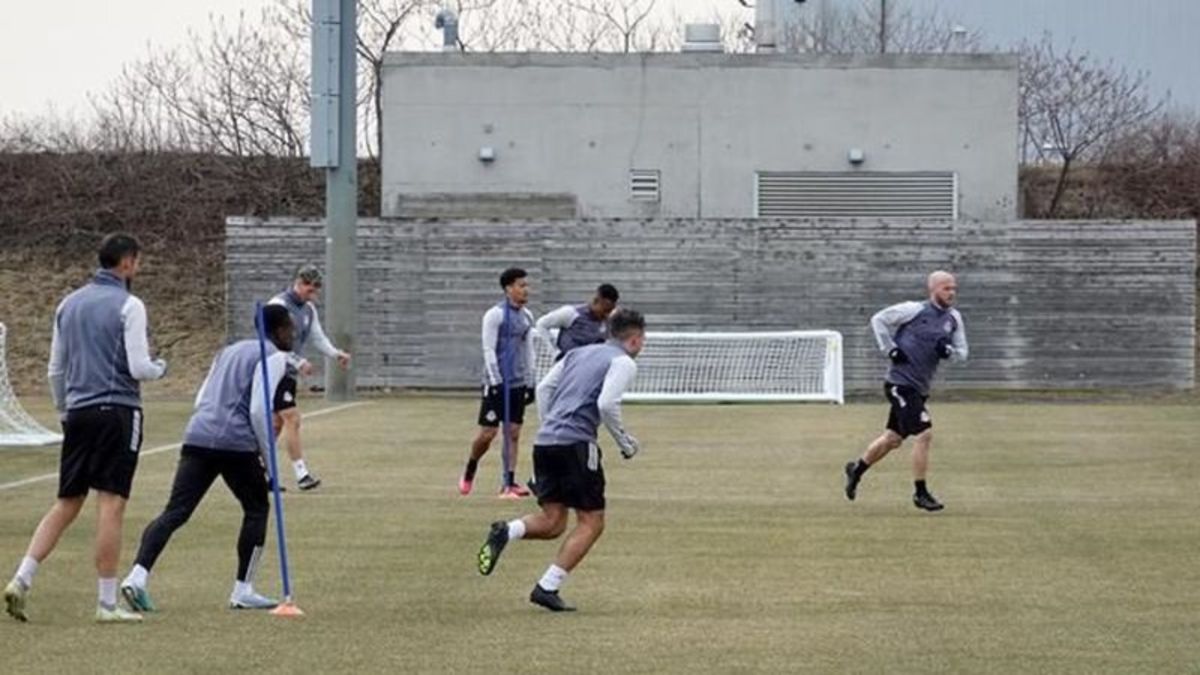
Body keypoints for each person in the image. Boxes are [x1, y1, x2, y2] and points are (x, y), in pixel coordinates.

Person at [4, 233, 167, 624]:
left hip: (78, 411)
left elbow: (55, 369)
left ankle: (22, 578)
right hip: (118, 411)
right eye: (137, 261)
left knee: (67, 501)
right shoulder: (129, 305)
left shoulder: (68, 304)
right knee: (111, 503)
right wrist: (161, 368)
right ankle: (107, 603)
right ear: (126, 262)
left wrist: (65, 410)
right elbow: (138, 367)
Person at [119, 305, 296, 612]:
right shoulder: (274, 356)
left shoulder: (226, 352)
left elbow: (202, 398)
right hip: (236, 443)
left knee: (176, 511)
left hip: (198, 434)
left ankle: (137, 576)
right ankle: (243, 589)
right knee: (257, 508)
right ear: (279, 330)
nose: (292, 334)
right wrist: (270, 462)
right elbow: (258, 409)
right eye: (290, 328)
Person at [476, 308, 645, 612]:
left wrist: (550, 427)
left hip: (545, 442)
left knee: (553, 522)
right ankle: (547, 586)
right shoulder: (623, 362)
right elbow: (607, 404)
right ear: (634, 339)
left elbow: (545, 388)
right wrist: (626, 443)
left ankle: (506, 531)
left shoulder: (577, 354)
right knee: (592, 521)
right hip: (577, 445)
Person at [843, 271, 969, 512]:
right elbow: (878, 319)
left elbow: (963, 354)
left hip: (919, 388)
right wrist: (889, 348)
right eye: (946, 288)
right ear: (933, 289)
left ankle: (856, 469)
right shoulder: (913, 310)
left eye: (954, 288)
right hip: (900, 384)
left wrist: (948, 351)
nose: (951, 293)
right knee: (924, 433)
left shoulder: (954, 318)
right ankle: (920, 493)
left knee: (892, 439)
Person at [268, 265, 351, 490]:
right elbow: (271, 343)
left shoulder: (309, 309)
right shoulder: (278, 305)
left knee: (275, 425)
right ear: (299, 283)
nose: (313, 293)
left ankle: (261, 472)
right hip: (272, 369)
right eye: (310, 288)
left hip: (288, 373)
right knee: (292, 418)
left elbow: (317, 338)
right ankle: (302, 475)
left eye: (316, 288)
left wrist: (336, 354)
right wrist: (298, 361)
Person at [458, 268, 538, 499]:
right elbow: (488, 349)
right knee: (488, 433)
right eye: (521, 285)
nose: (525, 290)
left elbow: (528, 349)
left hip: (517, 382)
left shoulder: (527, 316)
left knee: (513, 432)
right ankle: (471, 467)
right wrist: (495, 381)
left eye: (526, 285)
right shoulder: (495, 315)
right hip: (497, 382)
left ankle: (509, 482)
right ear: (508, 288)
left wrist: (530, 380)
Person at [535, 284, 620, 361]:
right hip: (567, 364)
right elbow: (541, 324)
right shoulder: (570, 313)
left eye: (610, 310)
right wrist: (555, 352)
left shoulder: (607, 322)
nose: (607, 314)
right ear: (595, 301)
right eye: (605, 310)